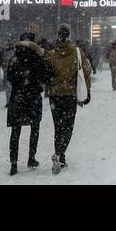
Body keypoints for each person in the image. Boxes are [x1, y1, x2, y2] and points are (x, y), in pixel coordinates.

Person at [7, 32, 52, 175]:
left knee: (15, 130)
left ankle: (13, 163)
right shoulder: (37, 59)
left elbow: (9, 78)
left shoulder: (14, 59)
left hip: (17, 97)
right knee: (34, 128)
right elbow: (45, 76)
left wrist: (20, 84)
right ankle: (31, 158)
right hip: (32, 98)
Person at [44, 25, 83, 174]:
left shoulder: (51, 54)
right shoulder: (76, 53)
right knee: (68, 127)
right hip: (70, 95)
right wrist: (86, 92)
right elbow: (85, 71)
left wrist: (51, 83)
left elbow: (45, 72)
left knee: (58, 127)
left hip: (55, 96)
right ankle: (60, 154)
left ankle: (60, 155)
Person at [77, 40, 95, 106]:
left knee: (85, 83)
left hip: (84, 70)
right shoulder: (77, 52)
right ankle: (84, 97)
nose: (83, 47)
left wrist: (93, 67)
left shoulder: (81, 52)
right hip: (81, 70)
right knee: (82, 83)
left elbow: (91, 60)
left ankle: (87, 95)